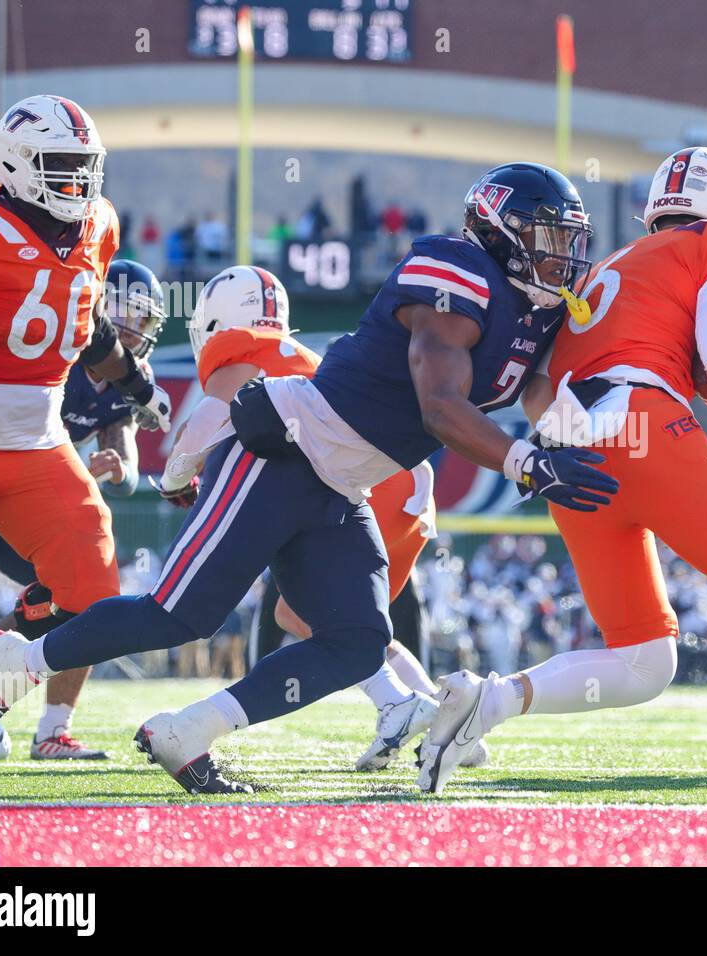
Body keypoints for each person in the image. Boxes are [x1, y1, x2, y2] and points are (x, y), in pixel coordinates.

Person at [0, 163, 613, 797]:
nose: (562, 254)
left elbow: (539, 392)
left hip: (342, 485)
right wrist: (528, 463)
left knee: (357, 642)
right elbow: (440, 407)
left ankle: (189, 731)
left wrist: (580, 440)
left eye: (568, 240)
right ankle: (16, 666)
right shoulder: (455, 276)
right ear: (499, 230)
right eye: (548, 237)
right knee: (178, 615)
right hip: (286, 450)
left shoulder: (534, 313)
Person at [417, 146, 707, 802]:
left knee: (645, 660)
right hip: (644, 425)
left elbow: (537, 393)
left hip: (568, 456)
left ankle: (489, 701)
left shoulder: (603, 271)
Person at [160, 263, 480, 770]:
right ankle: (453, 726)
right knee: (363, 629)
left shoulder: (240, 350)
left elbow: (205, 423)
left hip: (361, 481)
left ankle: (397, 705)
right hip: (405, 483)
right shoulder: (299, 356)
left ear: (220, 319)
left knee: (303, 617)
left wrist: (176, 476)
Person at [0, 95, 172, 754]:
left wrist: (137, 387)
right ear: (17, 162)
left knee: (93, 593)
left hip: (36, 442)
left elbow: (88, 325)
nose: (76, 179)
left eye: (83, 164)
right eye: (60, 163)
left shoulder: (99, 225)